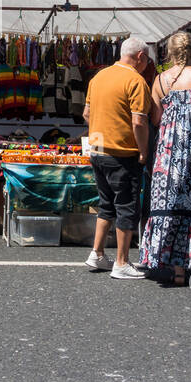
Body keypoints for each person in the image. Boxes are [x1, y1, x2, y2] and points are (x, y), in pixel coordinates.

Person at [141, 31, 191, 286]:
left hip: (168, 152)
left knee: (171, 202)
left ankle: (177, 272)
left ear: (170, 52)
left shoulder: (160, 80)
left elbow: (155, 119)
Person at [82, 37, 151, 280]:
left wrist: (102, 134)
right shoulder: (136, 81)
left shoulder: (99, 77)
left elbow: (87, 113)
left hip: (98, 151)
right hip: (123, 154)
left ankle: (97, 253)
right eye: (147, 59)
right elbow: (139, 122)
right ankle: (121, 262)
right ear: (140, 56)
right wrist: (143, 150)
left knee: (106, 204)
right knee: (126, 207)